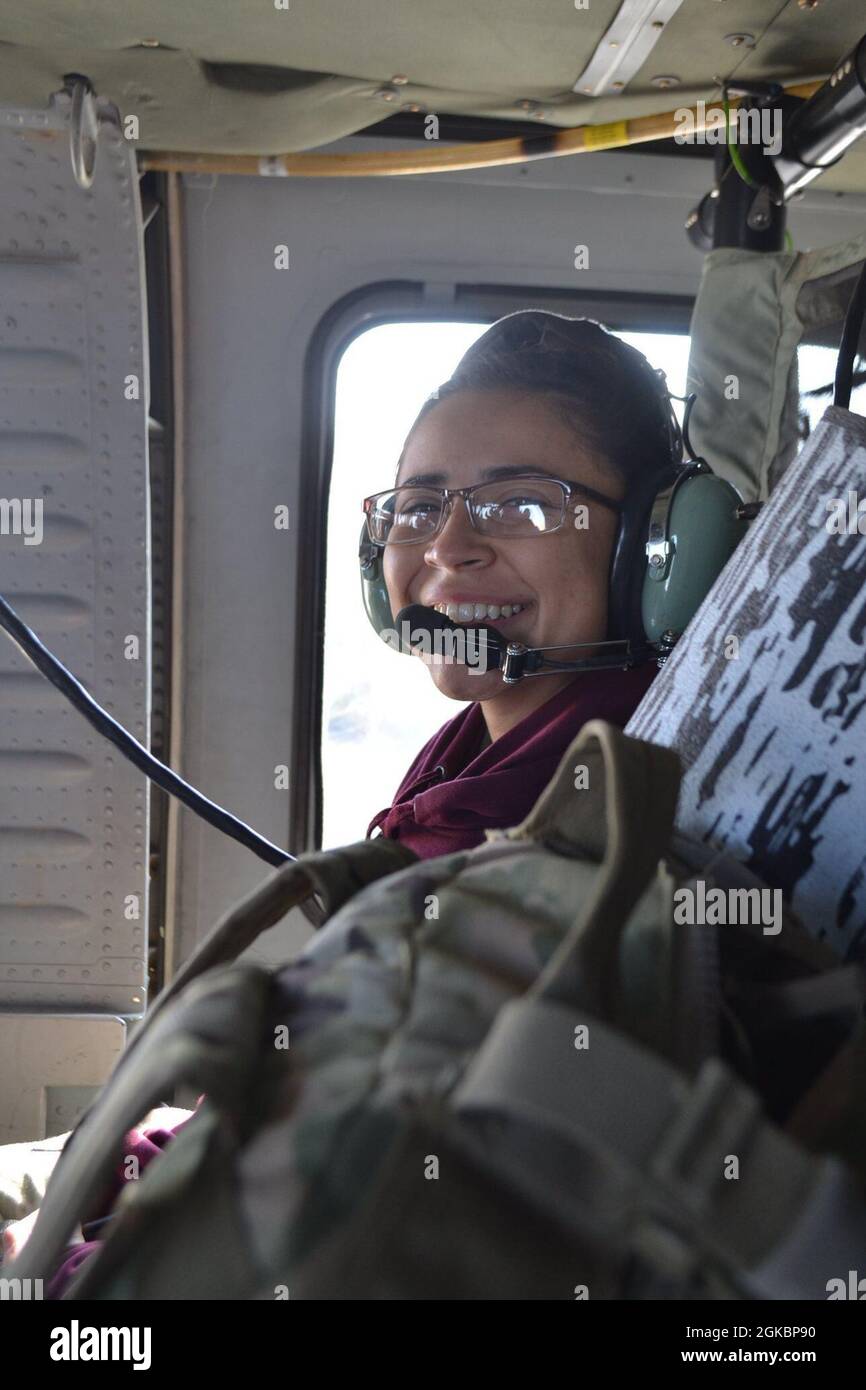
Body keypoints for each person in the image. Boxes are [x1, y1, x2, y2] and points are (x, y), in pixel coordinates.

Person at [366, 309, 677, 860]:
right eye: (419, 509)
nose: (446, 548)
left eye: (519, 503)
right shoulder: (454, 770)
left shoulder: (663, 808)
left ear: (648, 545)